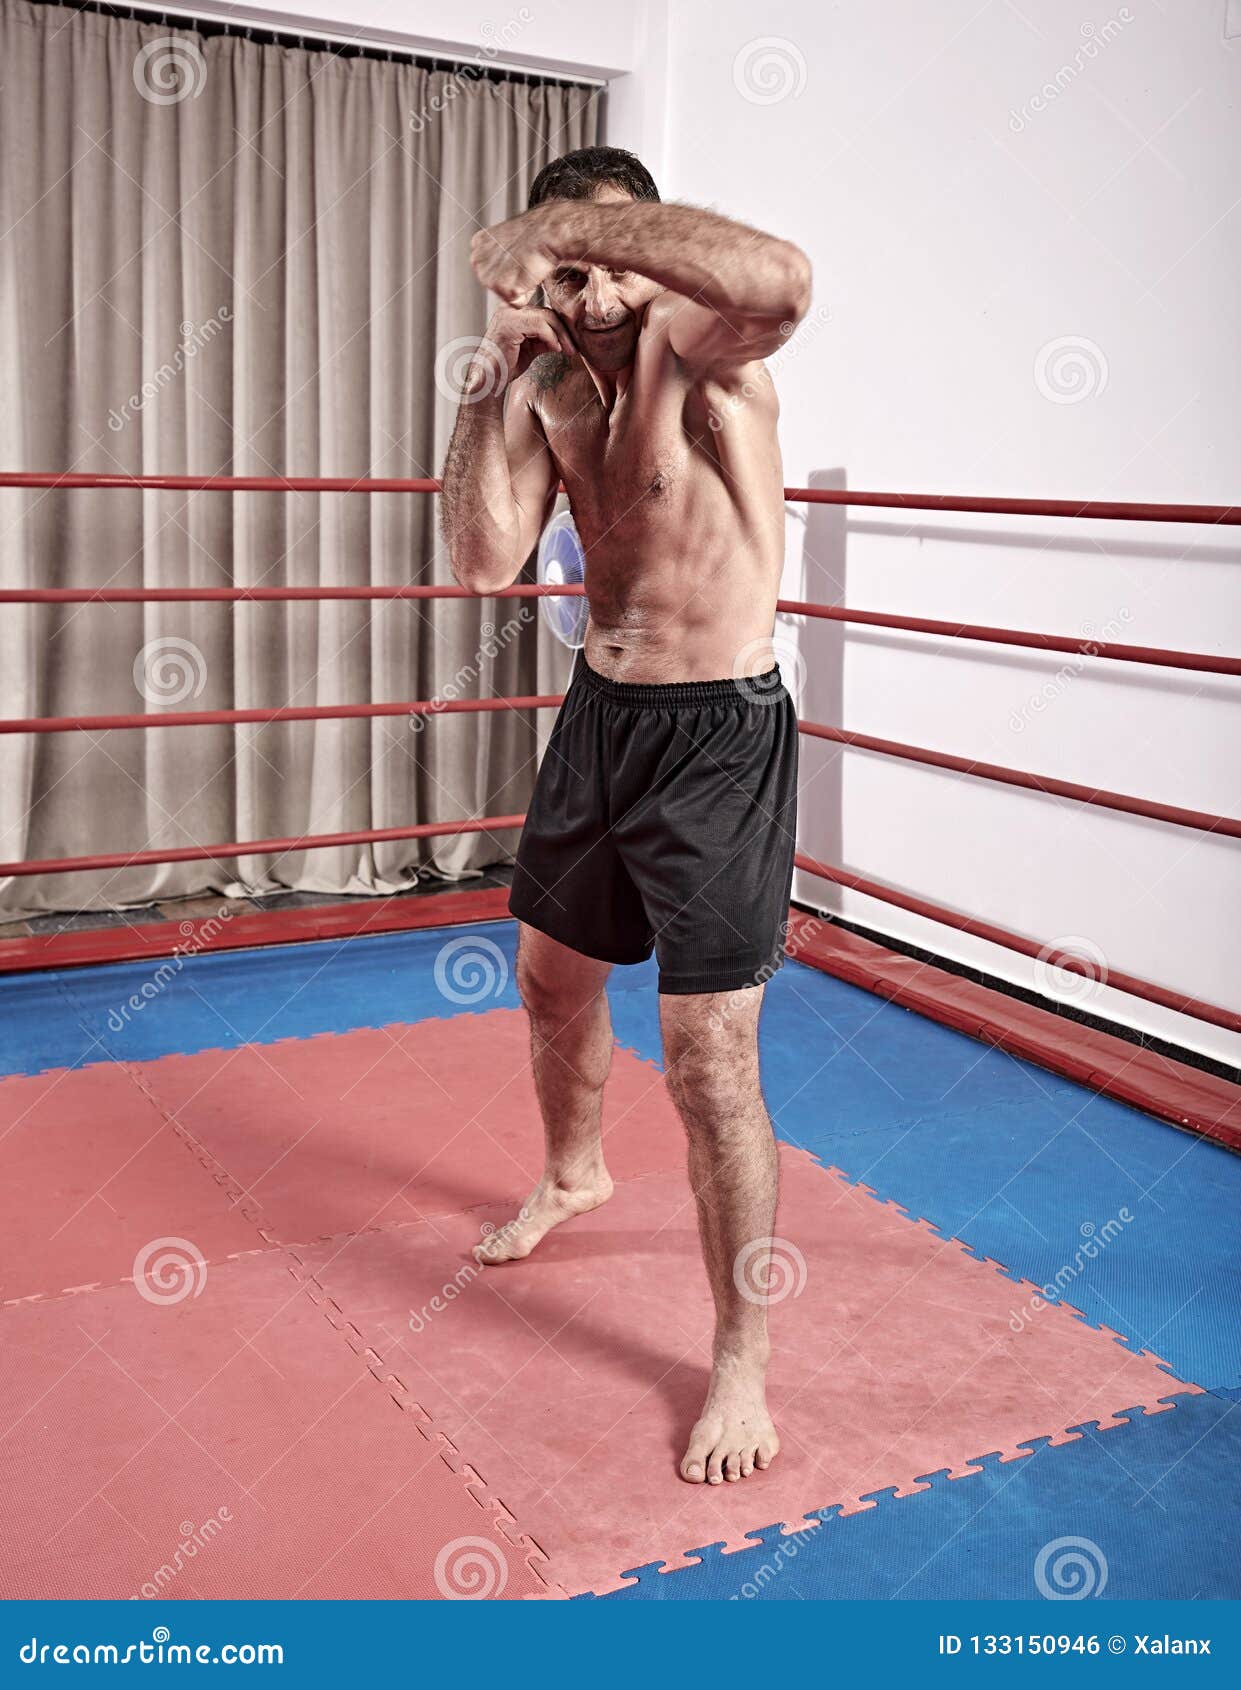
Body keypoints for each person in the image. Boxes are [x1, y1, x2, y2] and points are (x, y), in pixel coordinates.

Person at [440, 146, 811, 1487]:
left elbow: (783, 278)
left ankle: (739, 1357)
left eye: (614, 266)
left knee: (708, 1056)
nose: (594, 299)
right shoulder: (547, 383)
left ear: (650, 254)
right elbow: (482, 560)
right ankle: (574, 1170)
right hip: (599, 722)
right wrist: (492, 367)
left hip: (719, 733)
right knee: (549, 978)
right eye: (568, 277)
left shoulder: (702, 354)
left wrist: (583, 234)